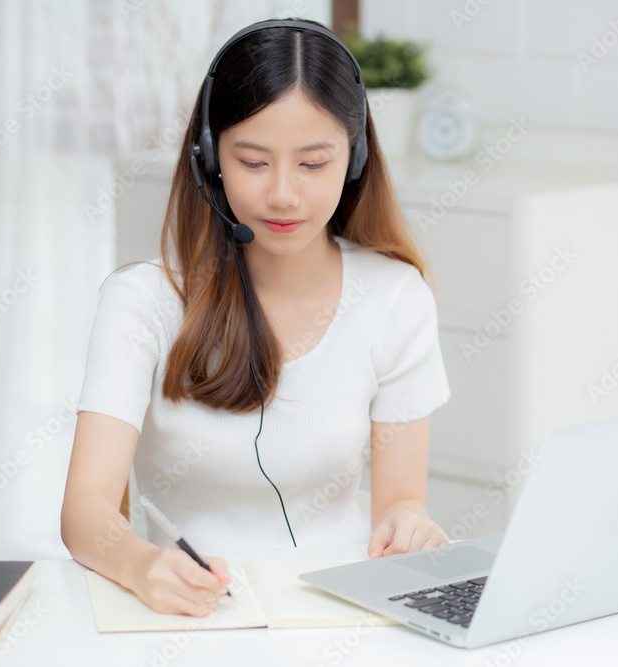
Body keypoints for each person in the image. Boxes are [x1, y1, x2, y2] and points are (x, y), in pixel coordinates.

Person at [60, 18, 452, 618]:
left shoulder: (396, 297)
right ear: (210, 158)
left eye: (313, 164)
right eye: (253, 161)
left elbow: (401, 500)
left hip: (343, 613)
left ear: (355, 159)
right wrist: (138, 564)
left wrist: (409, 524)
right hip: (191, 614)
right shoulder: (142, 302)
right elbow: (85, 509)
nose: (284, 196)